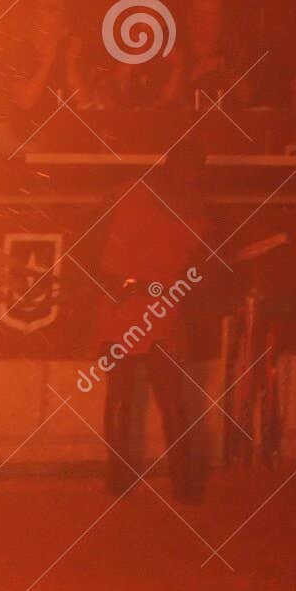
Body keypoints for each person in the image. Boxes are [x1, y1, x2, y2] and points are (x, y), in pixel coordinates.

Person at [96, 141, 211, 503]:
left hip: (157, 317)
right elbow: (112, 274)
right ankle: (118, 478)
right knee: (123, 400)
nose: (187, 179)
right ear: (170, 168)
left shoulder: (197, 217)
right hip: (126, 313)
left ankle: (184, 485)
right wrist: (151, 286)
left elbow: (188, 279)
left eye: (193, 172)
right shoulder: (137, 197)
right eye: (183, 169)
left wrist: (149, 286)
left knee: (169, 403)